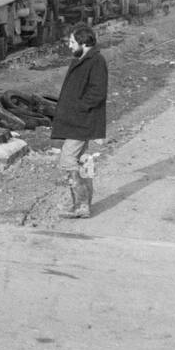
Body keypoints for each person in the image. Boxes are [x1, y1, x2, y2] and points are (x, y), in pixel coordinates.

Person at [52, 22, 108, 219]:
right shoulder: (84, 59)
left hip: (83, 121)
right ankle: (82, 206)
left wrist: (78, 108)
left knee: (67, 160)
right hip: (79, 120)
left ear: (83, 43)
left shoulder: (96, 61)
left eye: (72, 42)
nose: (69, 45)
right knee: (81, 161)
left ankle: (81, 205)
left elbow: (98, 92)